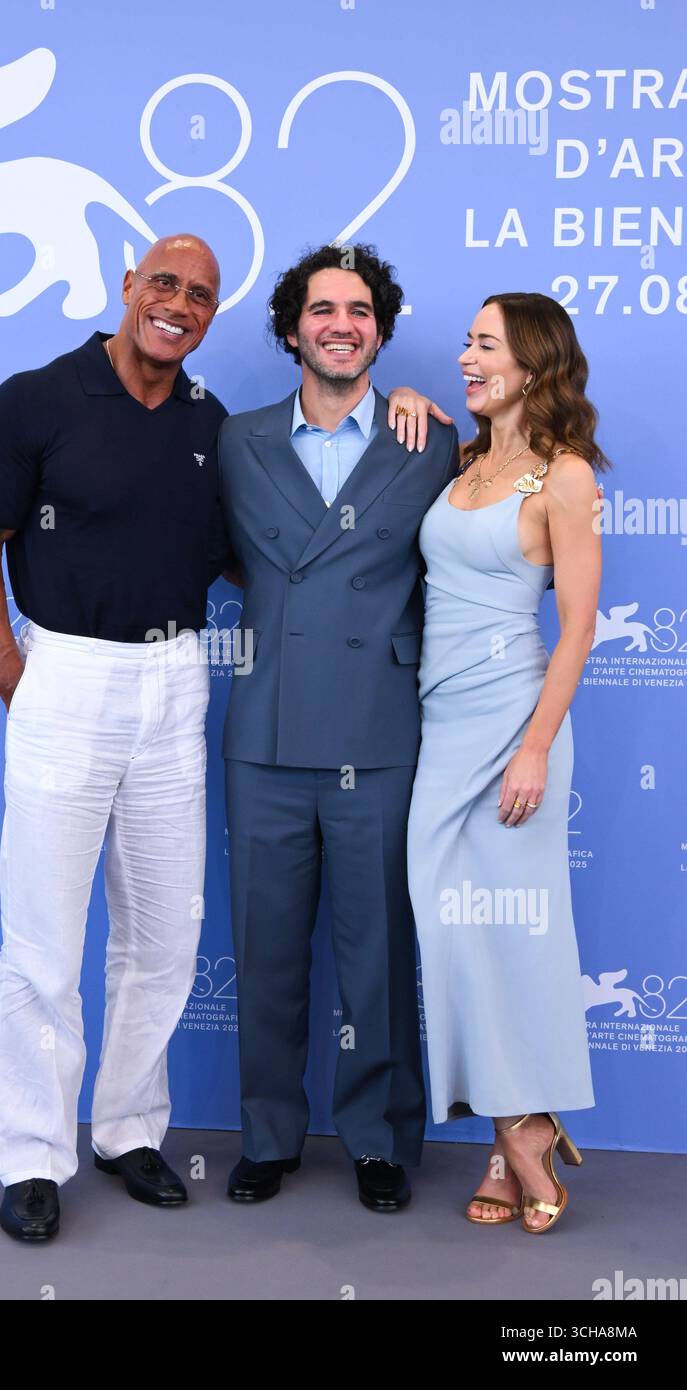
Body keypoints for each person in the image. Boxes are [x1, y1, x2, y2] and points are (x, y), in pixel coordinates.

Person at [0, 233, 234, 1241]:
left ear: (210, 316)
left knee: (164, 934)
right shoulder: (36, 398)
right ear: (127, 287)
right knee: (43, 941)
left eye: (200, 296)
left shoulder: (209, 422)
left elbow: (254, 550)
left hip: (176, 680)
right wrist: (12, 672)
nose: (178, 305)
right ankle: (33, 1155)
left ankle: (127, 1129)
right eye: (165, 283)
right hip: (65, 672)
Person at [217, 244, 459, 1211]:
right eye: (322, 310)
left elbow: (491, 527)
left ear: (381, 331)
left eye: (359, 311)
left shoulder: (430, 439)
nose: (341, 325)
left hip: (378, 728)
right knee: (265, 947)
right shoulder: (235, 439)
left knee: (377, 952)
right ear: (292, 330)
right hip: (266, 728)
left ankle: (378, 1141)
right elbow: (216, 552)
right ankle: (268, 1136)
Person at [404, 291, 604, 1232]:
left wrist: (533, 749)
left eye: (484, 345)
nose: (466, 358)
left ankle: (514, 1139)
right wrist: (403, 400)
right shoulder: (459, 463)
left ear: (532, 363)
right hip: (440, 730)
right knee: (452, 933)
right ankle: (518, 1121)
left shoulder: (564, 477)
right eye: (466, 343)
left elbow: (578, 629)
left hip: (515, 727)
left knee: (517, 935)